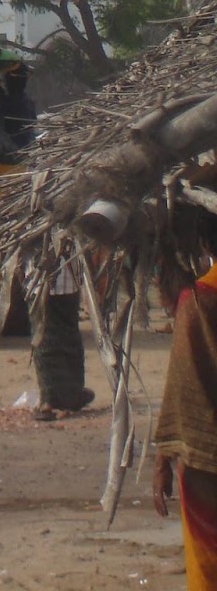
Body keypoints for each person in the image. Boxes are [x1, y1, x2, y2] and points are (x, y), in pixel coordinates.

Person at [154, 214, 217, 587]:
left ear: (206, 245)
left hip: (206, 464)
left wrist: (162, 459)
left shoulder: (197, 301)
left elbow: (182, 383)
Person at [29, 261, 93, 418]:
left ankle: (48, 400)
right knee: (67, 333)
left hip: (38, 278)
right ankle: (71, 395)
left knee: (43, 334)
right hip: (67, 277)